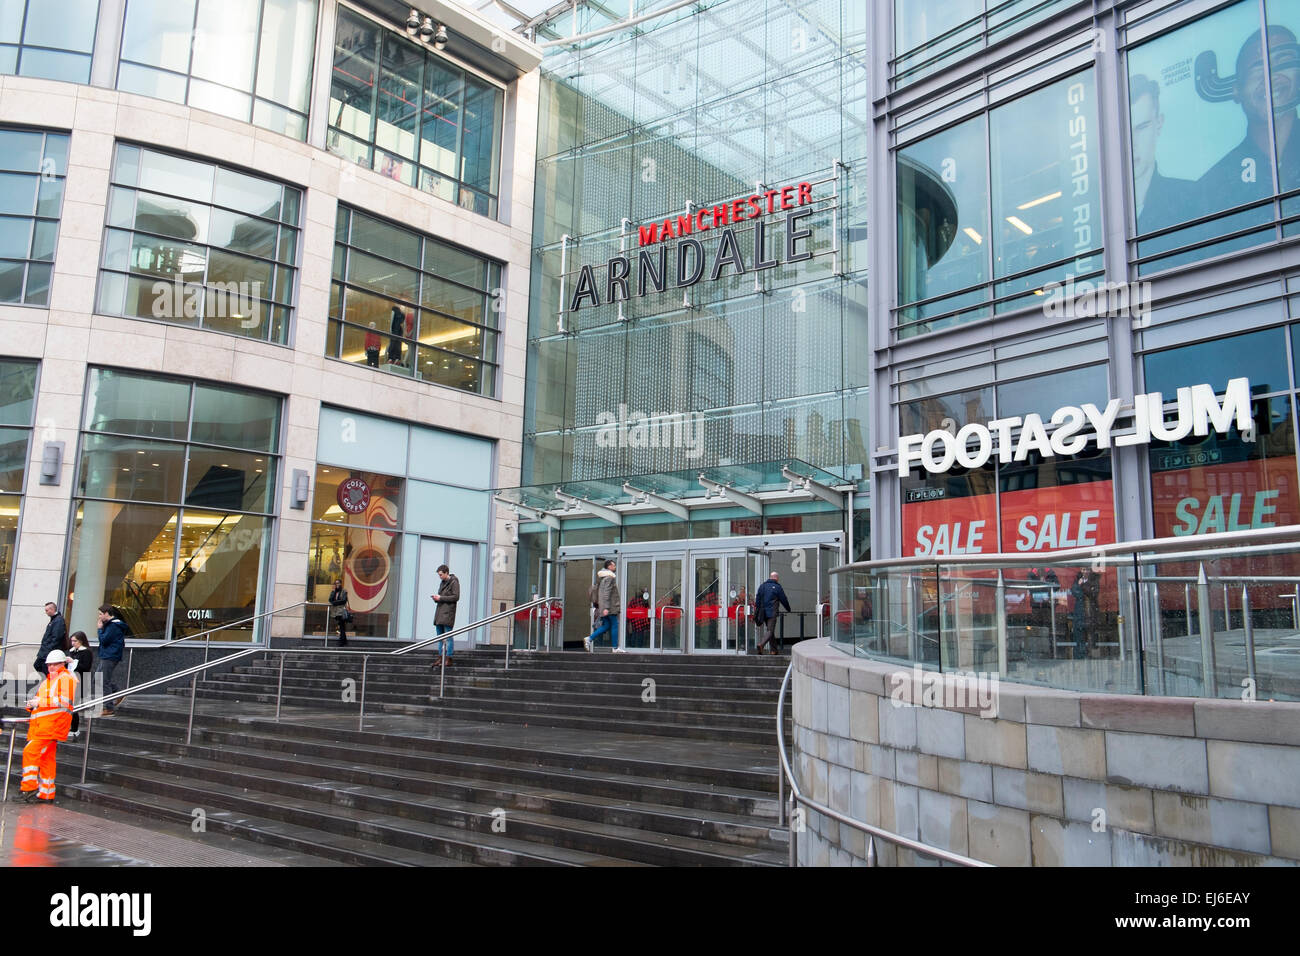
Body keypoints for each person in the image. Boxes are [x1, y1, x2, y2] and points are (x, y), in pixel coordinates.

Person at [1198, 27, 1300, 210]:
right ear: (1237, 90)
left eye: (1284, 60)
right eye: (1257, 68)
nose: (1272, 77)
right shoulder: (1215, 185)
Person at [1129, 74, 1199, 233]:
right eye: (1123, 133)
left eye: (1141, 127)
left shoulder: (1191, 198)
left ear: (1158, 124)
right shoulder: (1097, 216)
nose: (1132, 143)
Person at [17, 649, 77, 803]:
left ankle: (29, 789)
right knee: (46, 759)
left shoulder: (65, 678)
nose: (51, 667)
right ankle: (46, 793)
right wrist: (31, 705)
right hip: (44, 726)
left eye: (55, 664)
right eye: (49, 664)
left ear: (62, 663)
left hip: (52, 726)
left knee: (30, 752)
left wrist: (39, 703)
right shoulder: (49, 680)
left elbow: (63, 701)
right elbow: (40, 700)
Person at [95, 604, 127, 716]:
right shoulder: (110, 625)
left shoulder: (113, 625)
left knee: (104, 681)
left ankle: (109, 708)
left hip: (110, 655)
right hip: (107, 654)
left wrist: (99, 630)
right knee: (98, 678)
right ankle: (118, 692)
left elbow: (104, 640)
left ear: (107, 614)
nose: (99, 617)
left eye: (100, 614)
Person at [584, 559, 621, 653]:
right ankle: (615, 648)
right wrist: (607, 608)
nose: (615, 567)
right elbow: (606, 594)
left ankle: (589, 638)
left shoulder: (603, 578)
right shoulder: (610, 578)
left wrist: (603, 607)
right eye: (614, 565)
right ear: (609, 567)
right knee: (615, 625)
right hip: (610, 608)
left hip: (603, 607)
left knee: (606, 625)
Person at [754, 571, 791, 655]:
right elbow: (783, 599)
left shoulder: (762, 586)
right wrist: (788, 609)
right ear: (776, 578)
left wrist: (758, 609)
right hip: (772, 612)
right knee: (770, 630)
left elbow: (757, 599)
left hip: (763, 613)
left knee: (770, 631)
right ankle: (761, 644)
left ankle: (773, 650)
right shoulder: (777, 587)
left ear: (770, 577)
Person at [431, 564, 459, 666]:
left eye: (441, 574)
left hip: (447, 613)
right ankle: (440, 657)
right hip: (440, 612)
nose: (440, 576)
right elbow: (442, 596)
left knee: (448, 636)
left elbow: (456, 597)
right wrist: (436, 598)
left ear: (446, 573)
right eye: (439, 575)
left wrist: (441, 598)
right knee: (439, 637)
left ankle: (449, 657)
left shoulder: (454, 582)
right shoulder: (442, 583)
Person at [67, 631, 93, 737]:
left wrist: (73, 662)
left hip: (81, 681)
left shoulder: (86, 652)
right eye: (72, 641)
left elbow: (86, 667)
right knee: (69, 705)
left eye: (75, 641)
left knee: (74, 706)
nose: (72, 643)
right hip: (71, 680)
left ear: (81, 641)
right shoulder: (73, 651)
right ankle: (71, 728)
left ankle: (74, 729)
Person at [34, 600, 68, 676]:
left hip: (48, 651)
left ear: (52, 609)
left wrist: (48, 650)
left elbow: (56, 638)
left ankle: (50, 682)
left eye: (47, 610)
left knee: (42, 667)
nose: (46, 612)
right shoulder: (54, 620)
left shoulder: (58, 620)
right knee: (38, 665)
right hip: (46, 650)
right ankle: (48, 681)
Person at [328, 579, 350, 647]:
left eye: (338, 583)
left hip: (341, 612)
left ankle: (341, 642)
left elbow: (343, 600)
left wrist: (334, 603)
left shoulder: (344, 591)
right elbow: (330, 599)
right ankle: (344, 641)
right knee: (341, 626)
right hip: (335, 612)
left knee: (341, 626)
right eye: (335, 583)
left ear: (341, 584)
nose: (337, 584)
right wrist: (333, 591)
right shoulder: (334, 591)